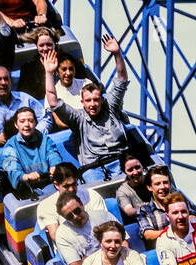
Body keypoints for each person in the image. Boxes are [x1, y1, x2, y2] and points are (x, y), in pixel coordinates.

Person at [43, 38, 140, 168]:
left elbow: (121, 80)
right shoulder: (78, 118)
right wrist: (49, 73)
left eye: (96, 100)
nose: (92, 104)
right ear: (82, 102)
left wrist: (117, 54)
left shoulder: (110, 107)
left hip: (120, 160)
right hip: (95, 166)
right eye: (88, 101)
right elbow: (53, 102)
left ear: (102, 99)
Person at [0, 66, 50, 160]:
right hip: (6, 156)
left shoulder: (24, 98)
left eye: (6, 79)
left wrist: (34, 133)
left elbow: (45, 118)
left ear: (11, 82)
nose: (3, 83)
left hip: (33, 148)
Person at [0, 106, 66, 195]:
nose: (27, 125)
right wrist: (26, 176)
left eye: (31, 121)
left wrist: (55, 166)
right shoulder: (9, 147)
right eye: (22, 121)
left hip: (48, 182)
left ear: (35, 123)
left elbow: (52, 154)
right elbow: (12, 170)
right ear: (16, 125)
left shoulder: (44, 139)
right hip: (25, 189)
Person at [35, 163, 106, 244]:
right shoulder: (46, 206)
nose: (71, 189)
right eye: (66, 186)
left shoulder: (91, 195)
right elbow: (56, 236)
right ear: (56, 185)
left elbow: (104, 224)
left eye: (74, 184)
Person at [53, 192, 113, 265]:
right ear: (64, 217)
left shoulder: (103, 216)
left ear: (81, 204)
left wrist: (88, 259)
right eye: (69, 216)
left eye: (77, 211)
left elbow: (124, 243)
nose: (75, 217)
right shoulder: (62, 234)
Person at [115, 152, 151, 224]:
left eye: (137, 167)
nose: (135, 172)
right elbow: (129, 211)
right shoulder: (122, 191)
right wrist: (148, 208)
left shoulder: (154, 179)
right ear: (124, 172)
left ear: (142, 166)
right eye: (130, 170)